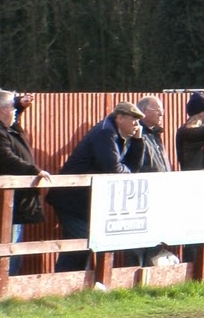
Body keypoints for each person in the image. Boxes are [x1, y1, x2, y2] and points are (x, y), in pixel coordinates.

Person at [47, 101, 149, 271]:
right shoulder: (106, 133)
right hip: (72, 198)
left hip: (86, 200)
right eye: (134, 120)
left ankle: (71, 285)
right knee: (81, 242)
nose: (137, 125)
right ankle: (65, 283)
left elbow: (132, 168)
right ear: (120, 118)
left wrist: (138, 141)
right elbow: (114, 169)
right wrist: (128, 172)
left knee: (83, 243)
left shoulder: (119, 134)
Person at [0, 91, 47, 272]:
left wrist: (19, 105)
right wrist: (34, 171)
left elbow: (10, 124)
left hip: (3, 204)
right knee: (2, 251)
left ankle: (0, 293)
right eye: (12, 108)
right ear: (2, 110)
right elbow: (6, 158)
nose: (15, 111)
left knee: (5, 250)